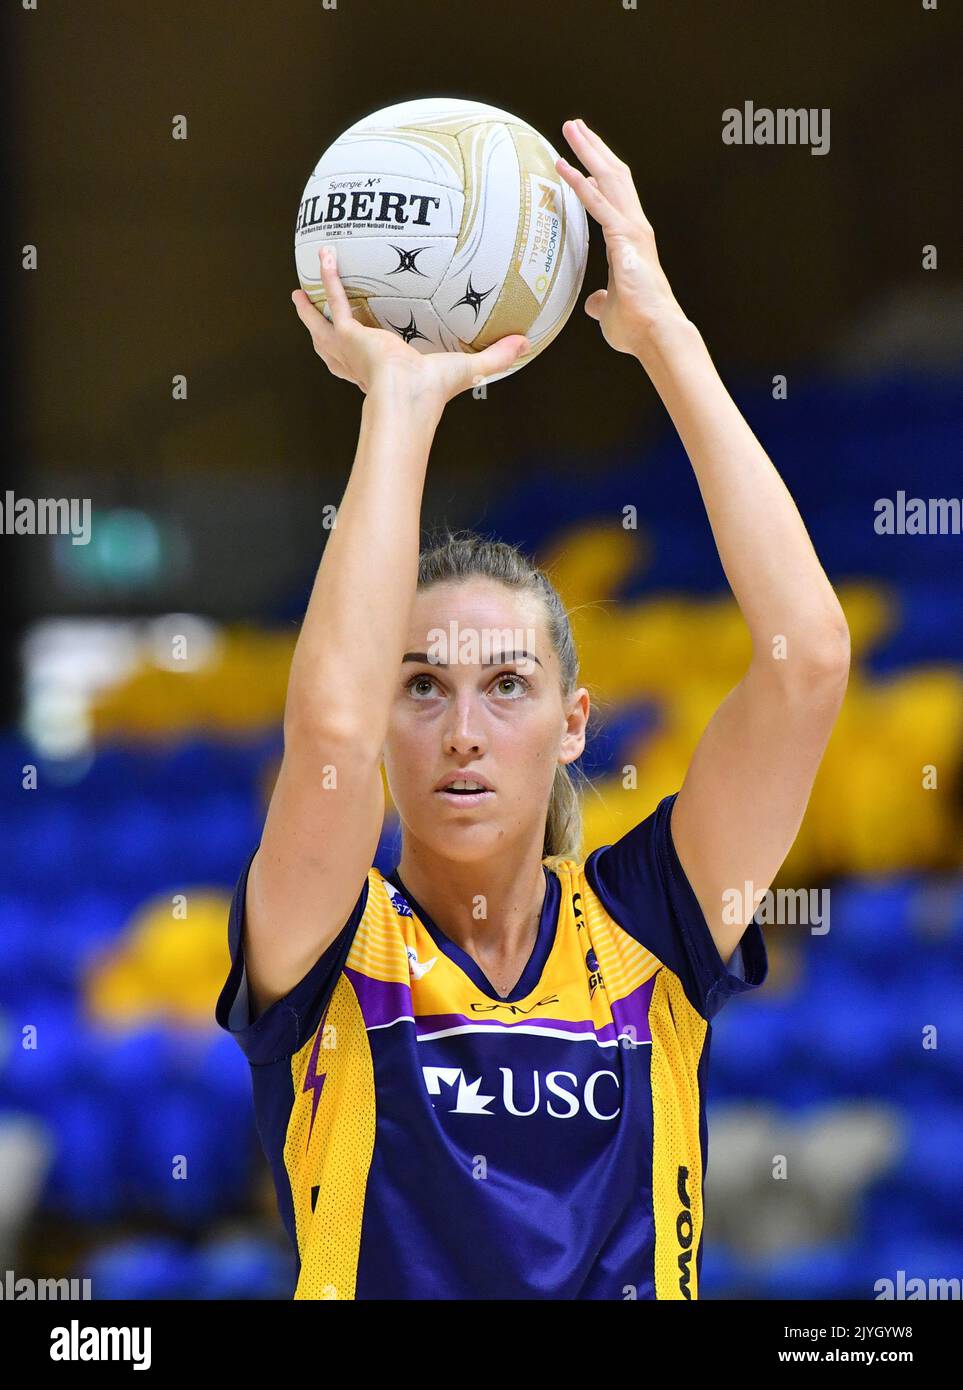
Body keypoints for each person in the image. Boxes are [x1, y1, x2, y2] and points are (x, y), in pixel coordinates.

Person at [215, 117, 850, 1299]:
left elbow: (806, 658)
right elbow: (332, 737)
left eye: (507, 684)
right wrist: (397, 405)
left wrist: (667, 337)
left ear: (573, 723)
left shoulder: (650, 928)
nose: (464, 728)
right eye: (424, 684)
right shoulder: (327, 945)